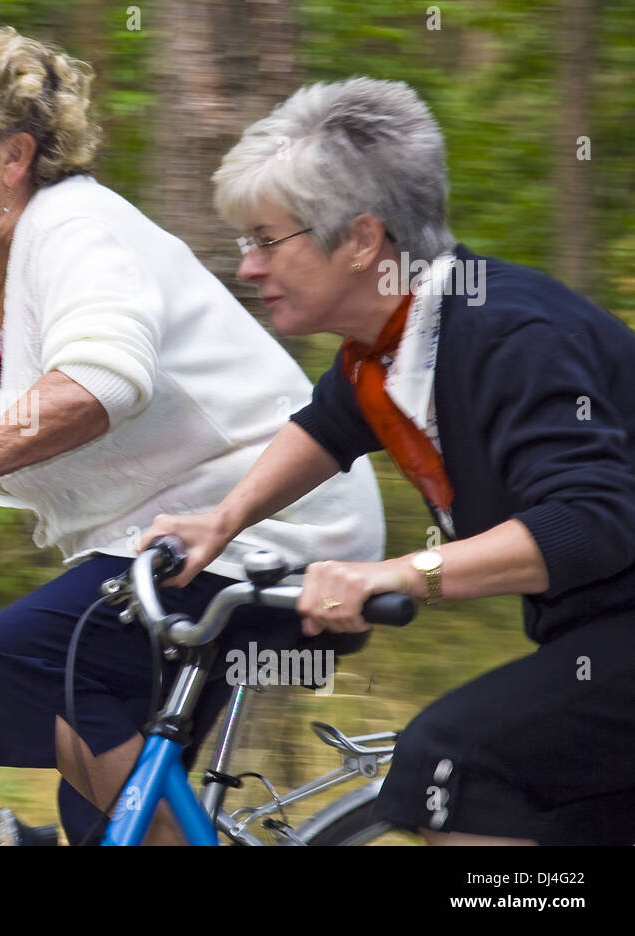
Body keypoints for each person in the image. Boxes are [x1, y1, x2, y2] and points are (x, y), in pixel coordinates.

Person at [0, 18, 385, 845]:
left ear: (12, 155)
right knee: (94, 805)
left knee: (31, 649)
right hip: (161, 545)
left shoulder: (75, 234)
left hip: (274, 531)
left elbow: (100, 385)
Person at [140, 76, 635, 845]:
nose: (248, 267)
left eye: (268, 240)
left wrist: (403, 574)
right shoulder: (393, 346)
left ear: (364, 240)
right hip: (594, 639)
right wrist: (222, 520)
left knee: (450, 762)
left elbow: (591, 521)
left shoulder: (506, 334)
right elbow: (329, 426)